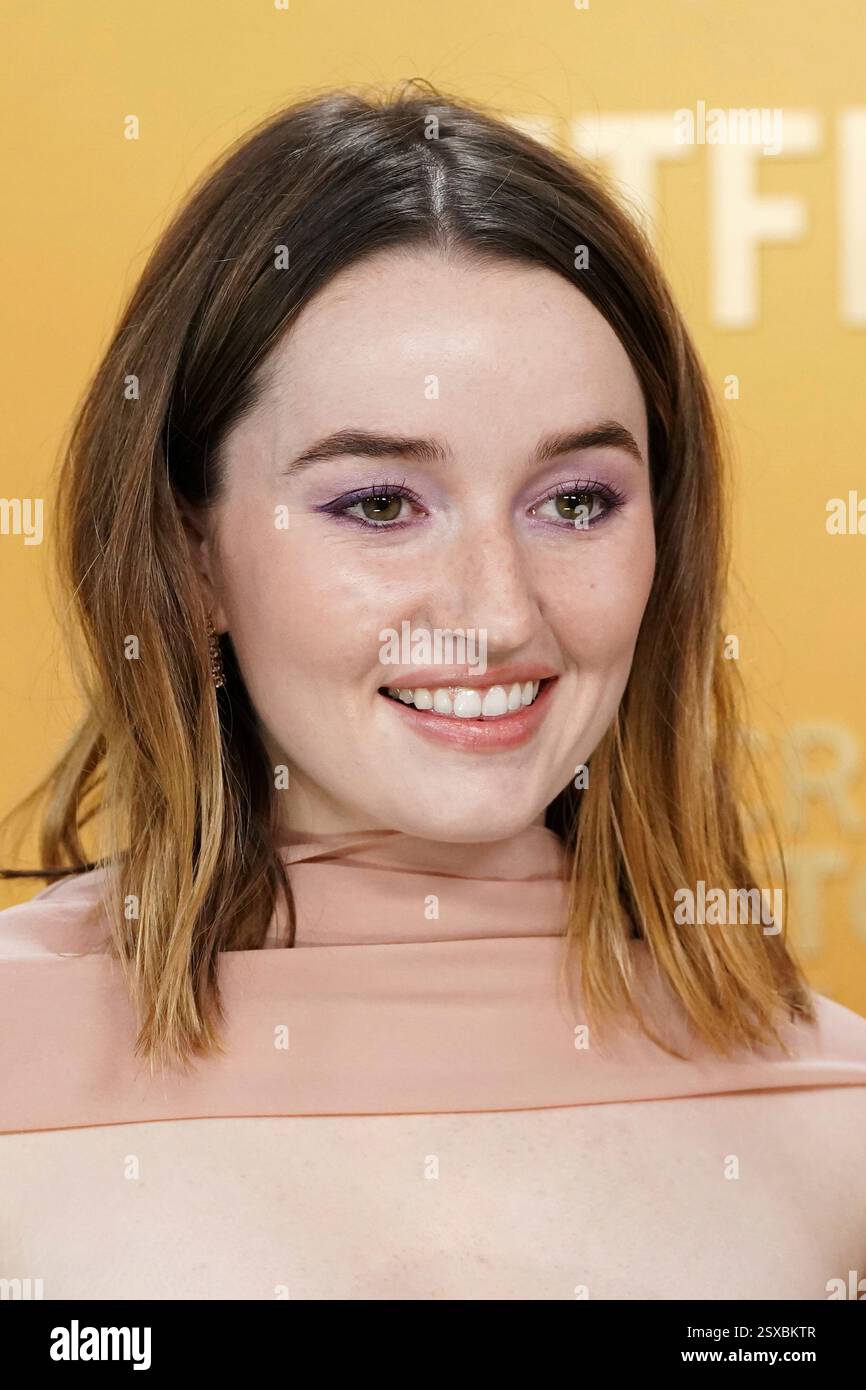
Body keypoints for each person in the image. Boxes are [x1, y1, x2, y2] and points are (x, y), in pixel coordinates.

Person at [1, 83, 865, 1301]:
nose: (499, 614)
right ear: (190, 553)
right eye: (378, 505)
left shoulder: (834, 1125)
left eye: (574, 502)